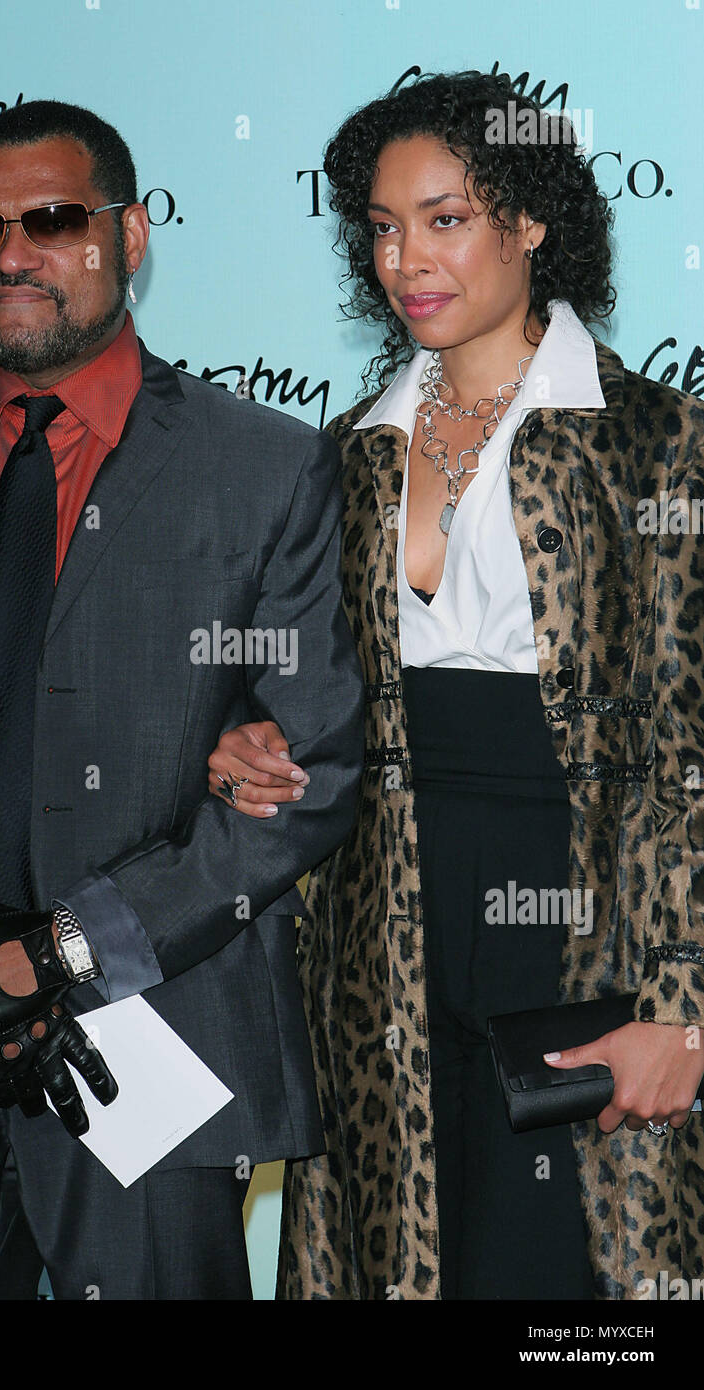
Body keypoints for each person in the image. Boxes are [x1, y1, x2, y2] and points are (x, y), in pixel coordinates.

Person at [0, 99, 365, 1300]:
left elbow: (306, 772)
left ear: (131, 236)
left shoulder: (263, 468)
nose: (13, 254)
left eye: (53, 219)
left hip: (151, 1044)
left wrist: (62, 952)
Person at [206, 71, 704, 1299]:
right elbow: (287, 688)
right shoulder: (340, 453)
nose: (404, 259)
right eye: (381, 227)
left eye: (444, 218)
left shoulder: (659, 441)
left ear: (530, 221)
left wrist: (684, 1005)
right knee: (409, 1262)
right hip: (383, 922)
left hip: (590, 922)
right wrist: (239, 740)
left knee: (571, 1283)